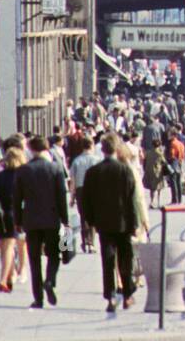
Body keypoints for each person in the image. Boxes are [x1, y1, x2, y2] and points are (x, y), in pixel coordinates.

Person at [79, 134, 139, 313]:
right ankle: (127, 294)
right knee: (125, 259)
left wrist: (91, 220)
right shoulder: (125, 170)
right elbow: (131, 199)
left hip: (103, 223)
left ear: (102, 149)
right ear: (116, 149)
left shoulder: (93, 172)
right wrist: (134, 223)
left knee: (107, 259)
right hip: (124, 222)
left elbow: (86, 200)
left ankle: (110, 296)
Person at [13, 136, 69, 308]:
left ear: (31, 150)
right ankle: (50, 280)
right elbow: (62, 197)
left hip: (31, 220)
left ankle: (38, 298)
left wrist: (18, 220)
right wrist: (65, 220)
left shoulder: (23, 170)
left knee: (34, 259)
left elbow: (17, 199)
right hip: (52, 219)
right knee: (54, 254)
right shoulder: (55, 169)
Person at [0, 146, 27, 293]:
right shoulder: (22, 177)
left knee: (4, 247)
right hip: (16, 214)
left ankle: (10, 275)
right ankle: (4, 279)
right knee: (10, 246)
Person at [68, 136, 101, 253]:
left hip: (80, 190)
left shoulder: (76, 161)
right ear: (92, 145)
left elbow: (72, 180)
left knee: (83, 216)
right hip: (94, 190)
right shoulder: (97, 160)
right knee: (93, 216)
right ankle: (91, 243)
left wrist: (72, 197)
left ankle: (85, 241)